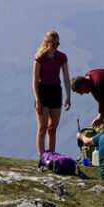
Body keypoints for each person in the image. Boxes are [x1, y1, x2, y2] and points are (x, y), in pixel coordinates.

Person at [32, 29, 71, 157]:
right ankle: (41, 155)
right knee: (42, 127)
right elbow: (35, 80)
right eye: (53, 44)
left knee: (52, 128)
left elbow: (66, 78)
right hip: (43, 91)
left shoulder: (61, 57)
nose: (55, 46)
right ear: (47, 43)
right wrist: (37, 99)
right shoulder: (40, 58)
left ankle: (52, 155)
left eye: (57, 44)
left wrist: (68, 96)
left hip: (55, 91)